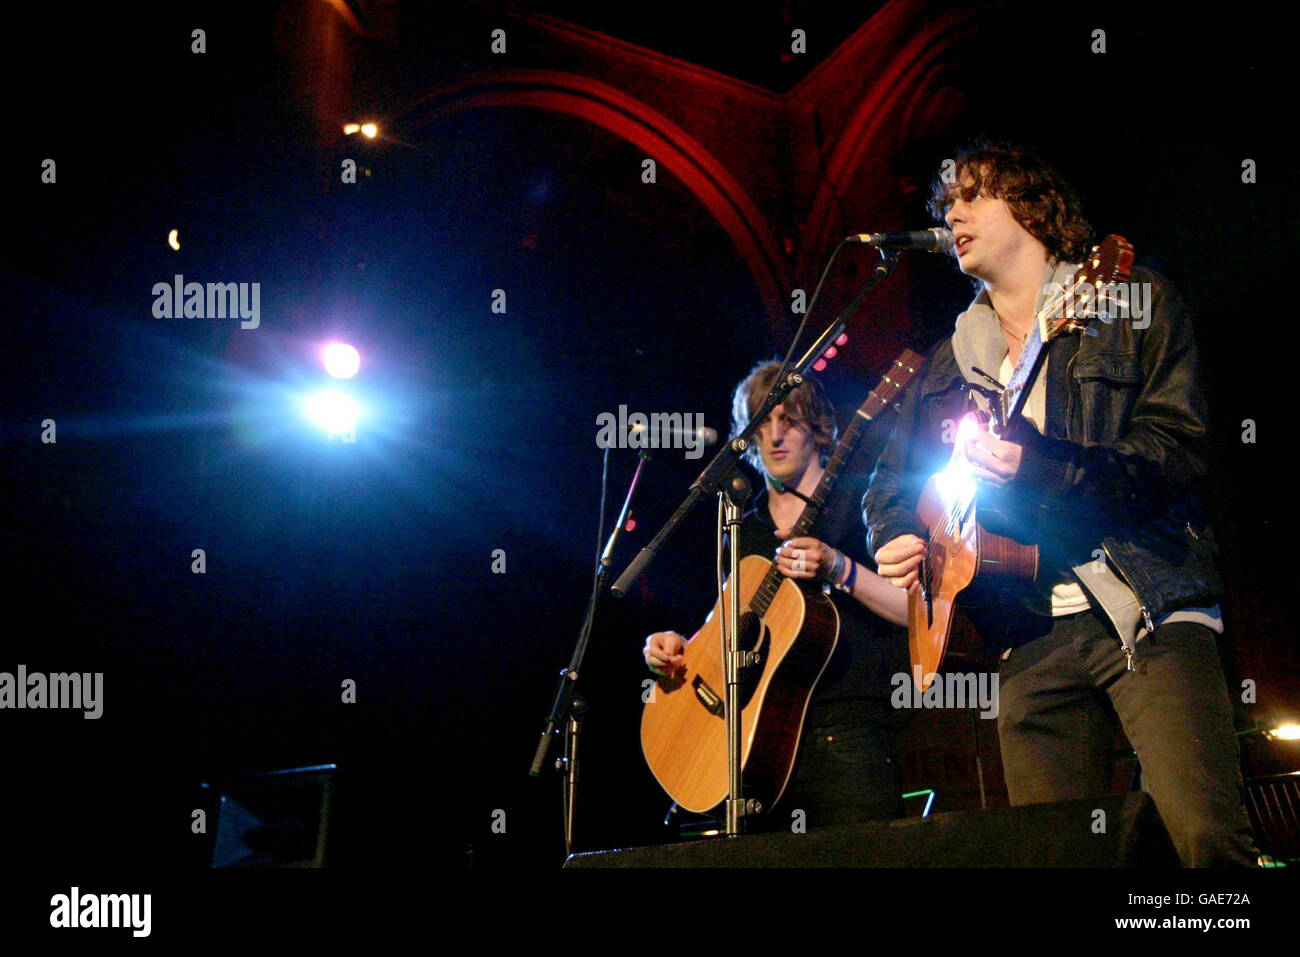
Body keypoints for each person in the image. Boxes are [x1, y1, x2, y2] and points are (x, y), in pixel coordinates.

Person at [863, 141, 1258, 866]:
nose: (953, 212)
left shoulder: (1127, 301)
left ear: (1033, 207)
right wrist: (894, 534)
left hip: (1146, 609)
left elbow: (1176, 451)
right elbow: (887, 485)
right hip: (1024, 636)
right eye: (946, 202)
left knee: (1204, 842)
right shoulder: (946, 362)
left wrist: (1043, 468)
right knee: (1054, 857)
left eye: (973, 194)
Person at [644, 361, 910, 829]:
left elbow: (917, 612)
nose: (774, 437)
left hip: (846, 733)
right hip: (753, 747)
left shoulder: (867, 504)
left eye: (787, 420)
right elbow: (722, 629)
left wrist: (839, 565)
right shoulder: (743, 531)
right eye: (762, 424)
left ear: (819, 427)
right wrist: (677, 648)